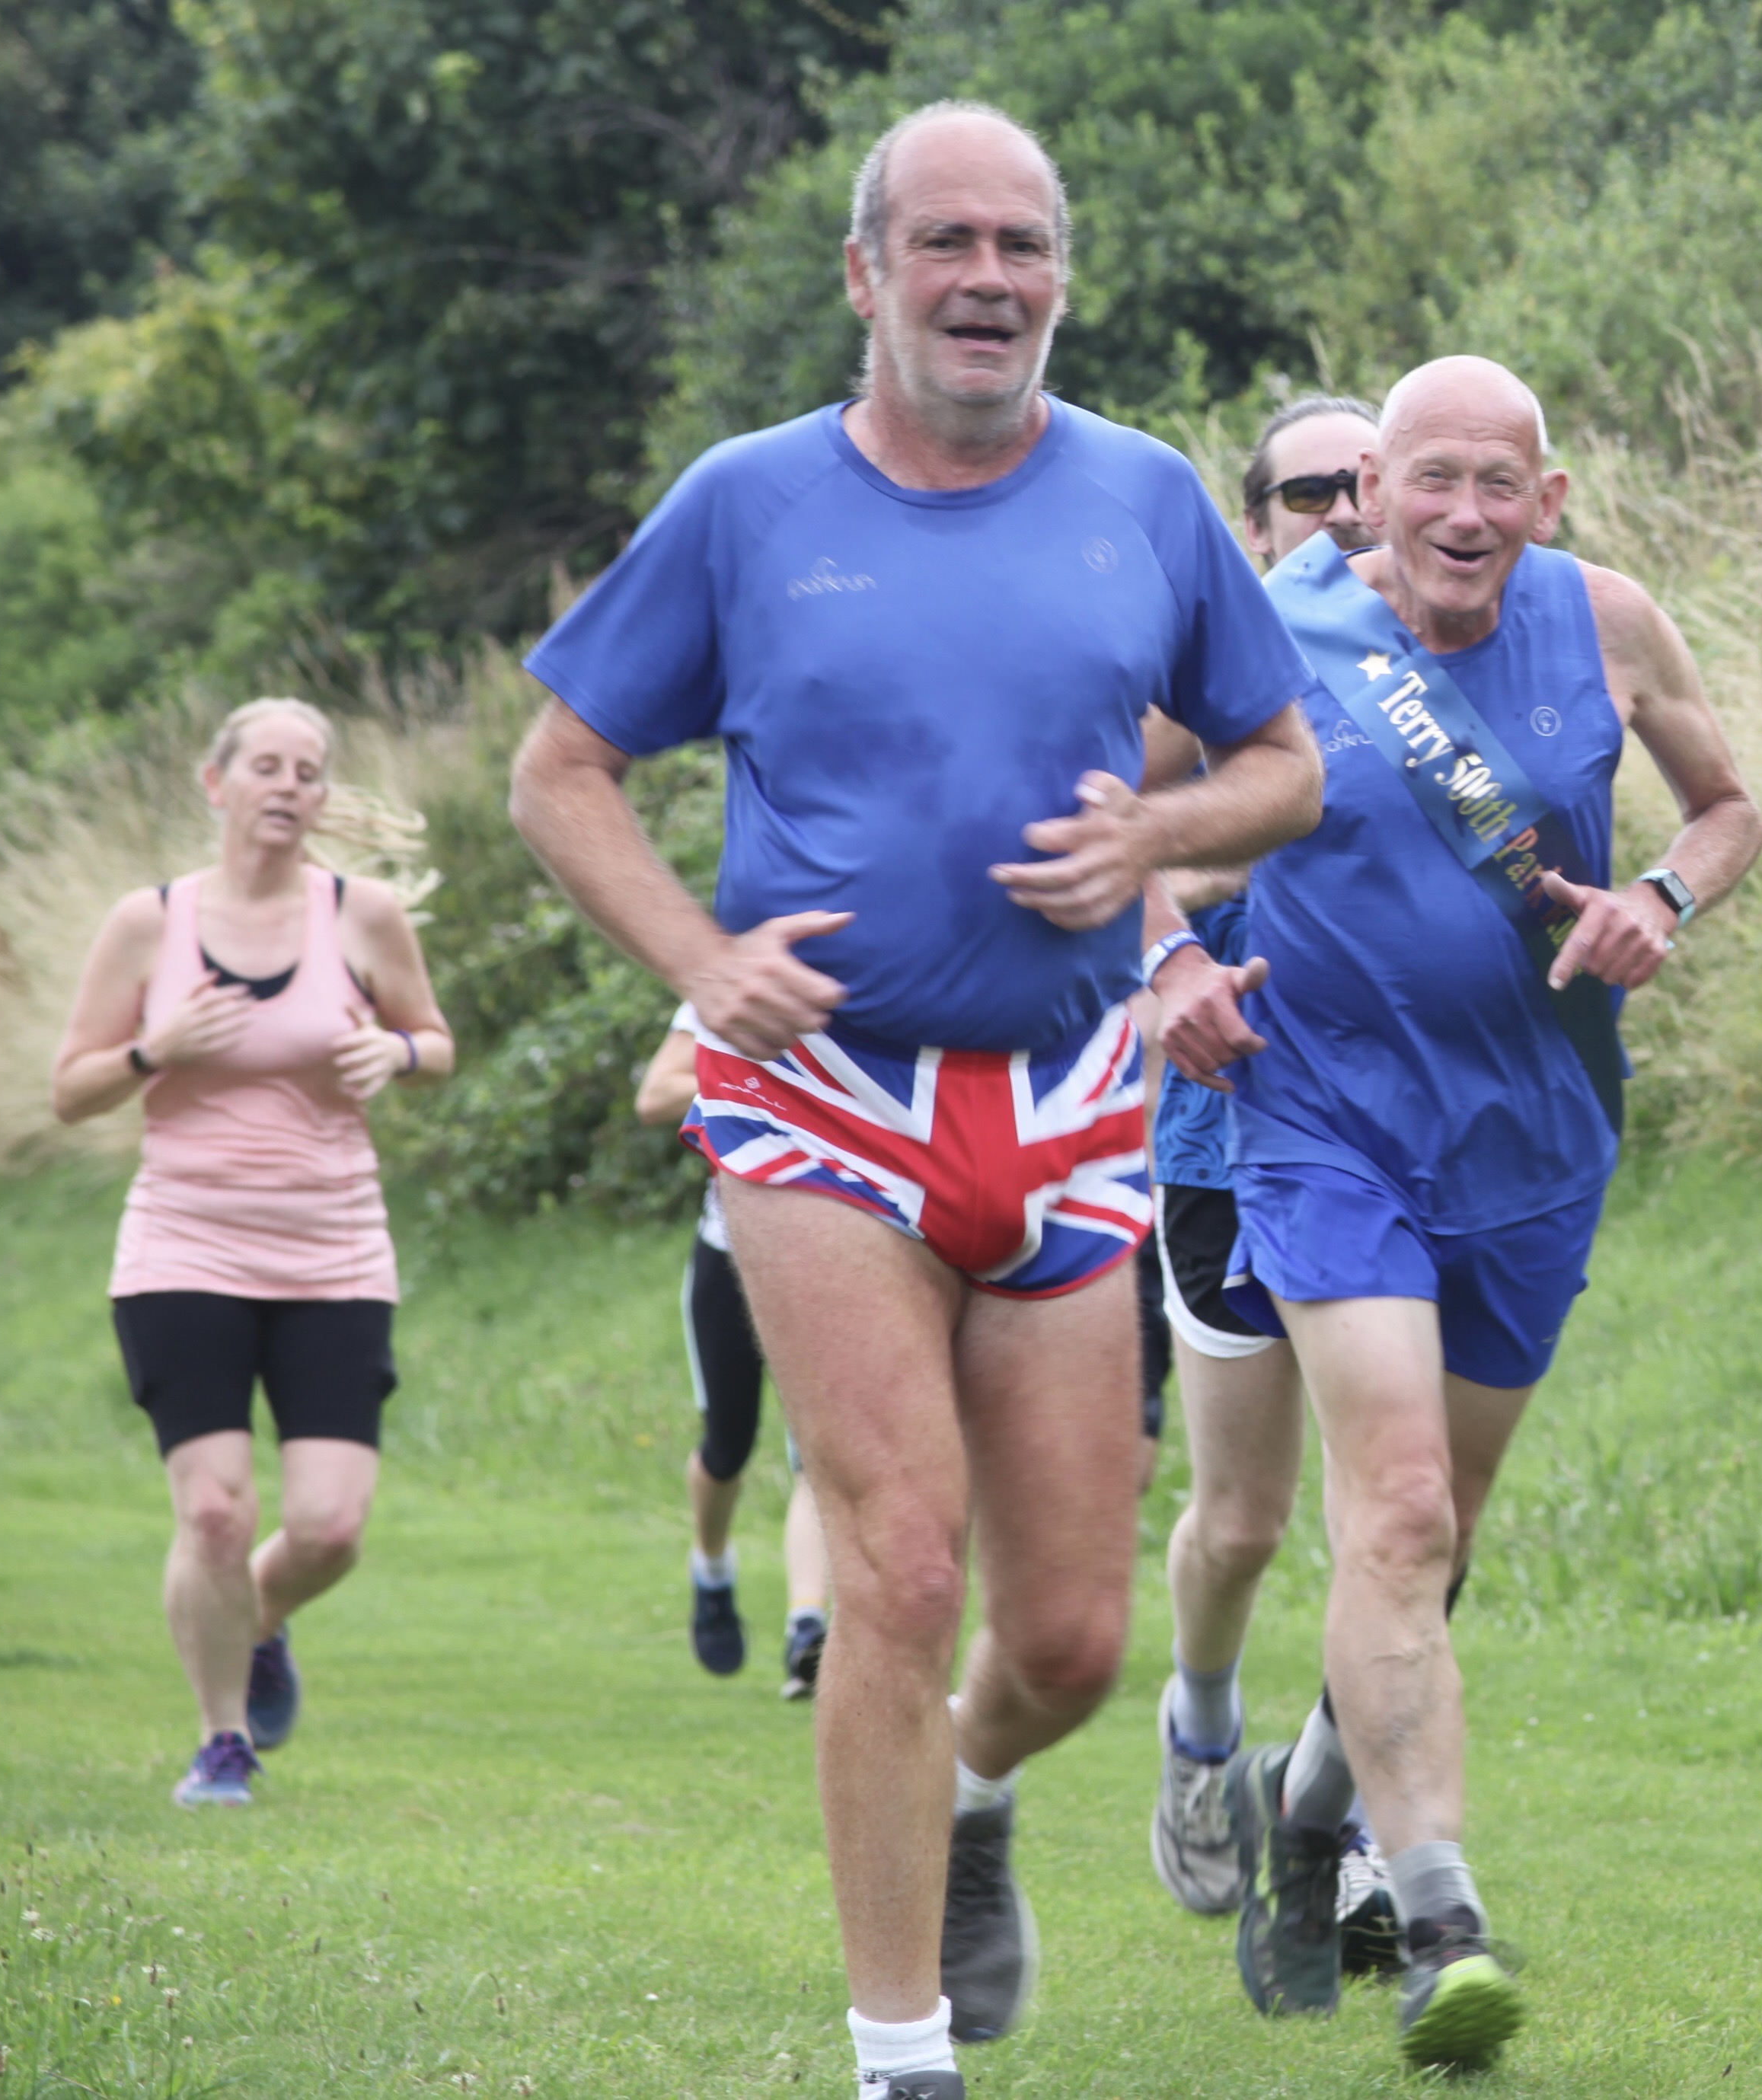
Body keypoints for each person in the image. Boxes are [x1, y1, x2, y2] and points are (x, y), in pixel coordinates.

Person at [508, 100, 1324, 2100]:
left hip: (1066, 1101)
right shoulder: (747, 502)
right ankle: (902, 2052)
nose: (987, 278)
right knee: (897, 1562)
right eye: (946, 241)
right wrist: (700, 960)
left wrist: (1156, 830)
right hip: (821, 1097)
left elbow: (1286, 767)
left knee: (1067, 1639)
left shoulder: (1144, 495)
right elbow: (559, 772)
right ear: (865, 274)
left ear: (1061, 279)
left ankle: (966, 1787)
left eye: (1022, 244)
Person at [1148, 356, 1762, 2070]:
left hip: (1534, 1137)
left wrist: (1661, 897)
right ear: (1372, 493)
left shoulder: (1609, 621)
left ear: (1546, 499)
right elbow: (1104, 819)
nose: (1464, 514)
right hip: (1322, 1126)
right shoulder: (1270, 630)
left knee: (1443, 1534)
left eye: (1501, 483)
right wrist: (1168, 957)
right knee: (1400, 1505)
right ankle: (1438, 1921)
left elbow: (1727, 812)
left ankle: (1304, 1806)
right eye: (1432, 478)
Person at [52, 698, 455, 1808]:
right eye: (267, 766)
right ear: (216, 782)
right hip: (184, 1242)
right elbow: (71, 1089)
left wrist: (397, 1051)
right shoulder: (150, 922)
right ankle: (221, 1740)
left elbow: (436, 1040)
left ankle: (256, 1621)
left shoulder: (363, 914)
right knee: (217, 1511)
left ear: (324, 796)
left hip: (334, 1245)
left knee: (330, 1527)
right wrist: (155, 1048)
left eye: (308, 771)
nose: (288, 785)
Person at [1142, 397, 1387, 1945]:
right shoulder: (1206, 679)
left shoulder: (1463, 669)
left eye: (1372, 483)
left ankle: (1339, 1823)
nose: (1350, 513)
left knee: (1403, 1520)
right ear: (1255, 524)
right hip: (1229, 1137)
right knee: (1240, 1521)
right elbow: (1111, 848)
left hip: (1405, 1145)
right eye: (1313, 490)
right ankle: (1201, 1725)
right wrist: (1194, 916)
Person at [634, 1013, 832, 1692]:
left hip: (832, 1257)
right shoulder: (734, 985)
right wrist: (754, 1085)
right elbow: (655, 1095)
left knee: (820, 1452)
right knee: (728, 1447)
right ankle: (711, 1568)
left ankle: (807, 1627)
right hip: (733, 1252)